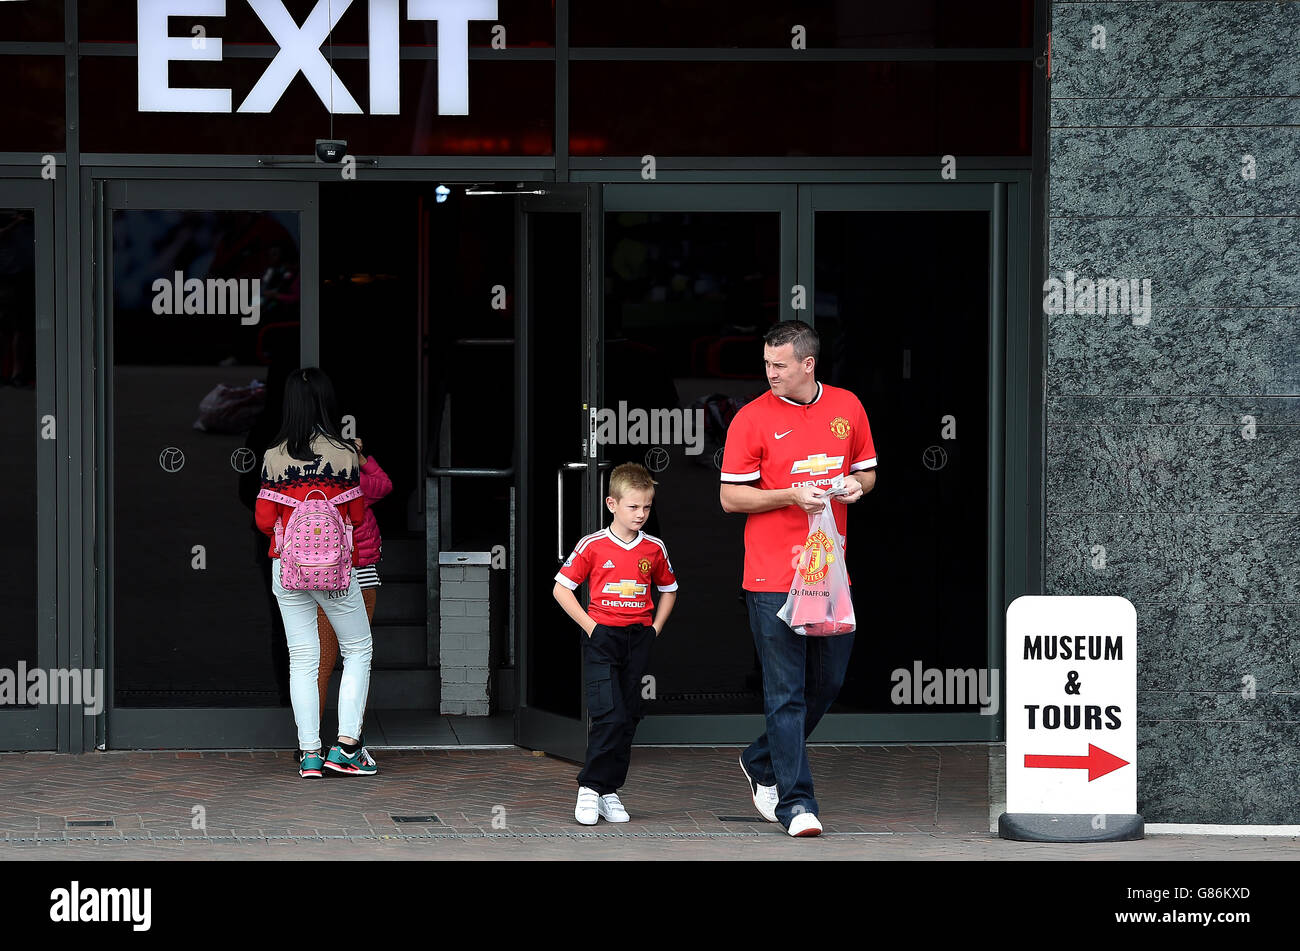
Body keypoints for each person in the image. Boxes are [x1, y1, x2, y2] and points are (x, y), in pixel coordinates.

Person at [718, 320, 877, 836]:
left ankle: (762, 759)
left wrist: (855, 484)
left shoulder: (848, 407)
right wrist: (790, 495)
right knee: (784, 690)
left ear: (808, 364)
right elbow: (730, 497)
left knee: (827, 683)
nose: (770, 373)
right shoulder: (750, 418)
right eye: (766, 364)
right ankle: (797, 803)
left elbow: (869, 471)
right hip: (770, 578)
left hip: (829, 573)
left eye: (779, 365)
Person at [255, 367, 377, 778]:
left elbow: (261, 519)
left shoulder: (274, 456)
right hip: (336, 574)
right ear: (327, 402)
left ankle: (309, 753)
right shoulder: (344, 454)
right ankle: (346, 748)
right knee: (357, 649)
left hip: (287, 571)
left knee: (303, 657)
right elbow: (357, 515)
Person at [552, 462, 678, 825]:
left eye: (646, 507)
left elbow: (669, 590)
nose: (640, 514)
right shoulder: (592, 545)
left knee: (629, 718)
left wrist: (654, 629)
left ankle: (609, 791)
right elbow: (562, 589)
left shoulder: (654, 548)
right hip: (602, 638)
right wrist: (592, 628)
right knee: (609, 714)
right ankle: (589, 787)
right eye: (633, 507)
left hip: (637, 639)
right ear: (612, 504)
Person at [314, 435, 391, 767]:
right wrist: (360, 457)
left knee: (319, 662)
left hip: (315, 574)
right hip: (359, 572)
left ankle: (311, 746)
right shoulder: (352, 479)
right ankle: (349, 746)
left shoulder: (305, 482)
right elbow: (384, 485)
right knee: (357, 656)